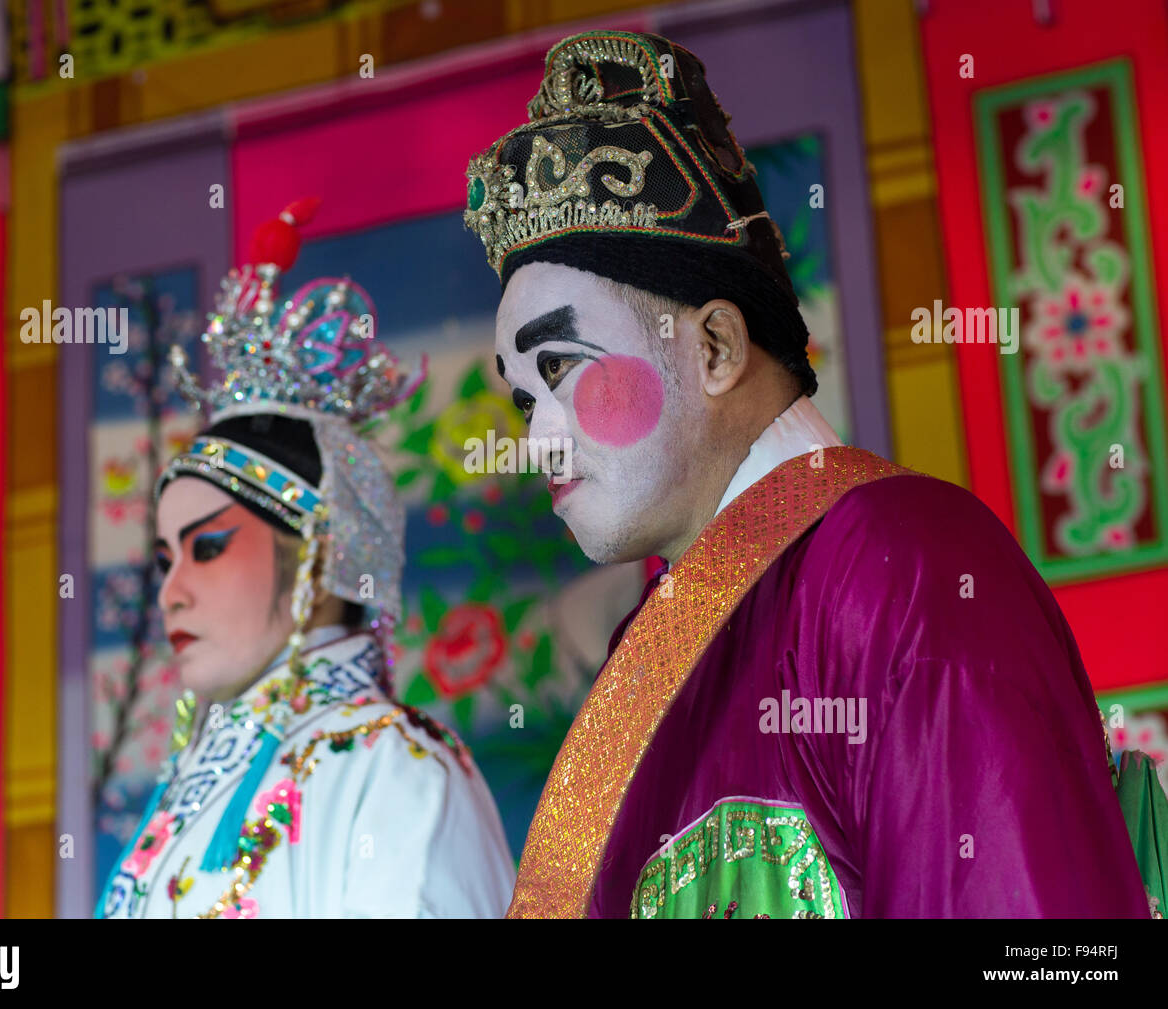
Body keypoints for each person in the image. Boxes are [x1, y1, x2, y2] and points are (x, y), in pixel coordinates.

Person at [463, 30, 1156, 918]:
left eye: (558, 367)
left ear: (714, 346)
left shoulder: (902, 563)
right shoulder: (653, 647)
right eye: (523, 402)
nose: (538, 439)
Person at [96, 200, 515, 918]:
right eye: (166, 559)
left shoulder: (394, 769)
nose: (171, 593)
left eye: (209, 546)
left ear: (324, 552)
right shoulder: (188, 793)